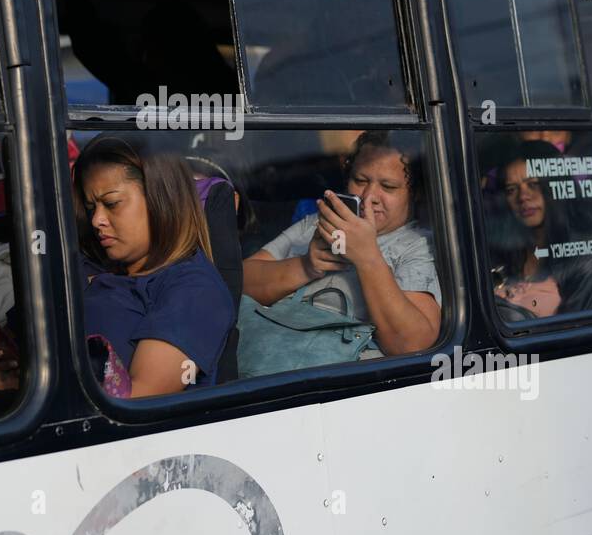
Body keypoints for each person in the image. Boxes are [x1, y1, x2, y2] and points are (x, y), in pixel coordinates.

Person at [242, 130, 441, 357]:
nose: (369, 197)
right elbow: (240, 282)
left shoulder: (418, 245)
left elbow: (412, 345)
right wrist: (307, 266)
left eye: (388, 187)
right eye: (360, 181)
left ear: (414, 194)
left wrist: (368, 258)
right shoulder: (318, 223)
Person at [71, 137, 234, 396]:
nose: (97, 220)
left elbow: (139, 399)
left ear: (162, 200)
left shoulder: (194, 292)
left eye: (112, 204)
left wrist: (19, 384)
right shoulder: (91, 263)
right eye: (92, 208)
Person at [489, 139, 592, 317]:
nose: (523, 197)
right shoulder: (505, 250)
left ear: (554, 186)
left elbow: (582, 333)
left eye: (533, 185)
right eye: (511, 190)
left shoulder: (584, 260)